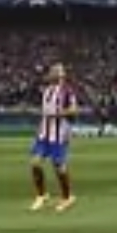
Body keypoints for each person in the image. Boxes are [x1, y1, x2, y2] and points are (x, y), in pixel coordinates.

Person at [30, 63, 79, 213]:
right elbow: (45, 112)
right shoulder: (46, 91)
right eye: (52, 71)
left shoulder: (67, 92)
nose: (52, 74)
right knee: (35, 163)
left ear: (61, 75)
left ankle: (67, 197)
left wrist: (57, 114)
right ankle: (42, 195)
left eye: (56, 72)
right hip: (44, 134)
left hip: (58, 136)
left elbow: (73, 111)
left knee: (60, 168)